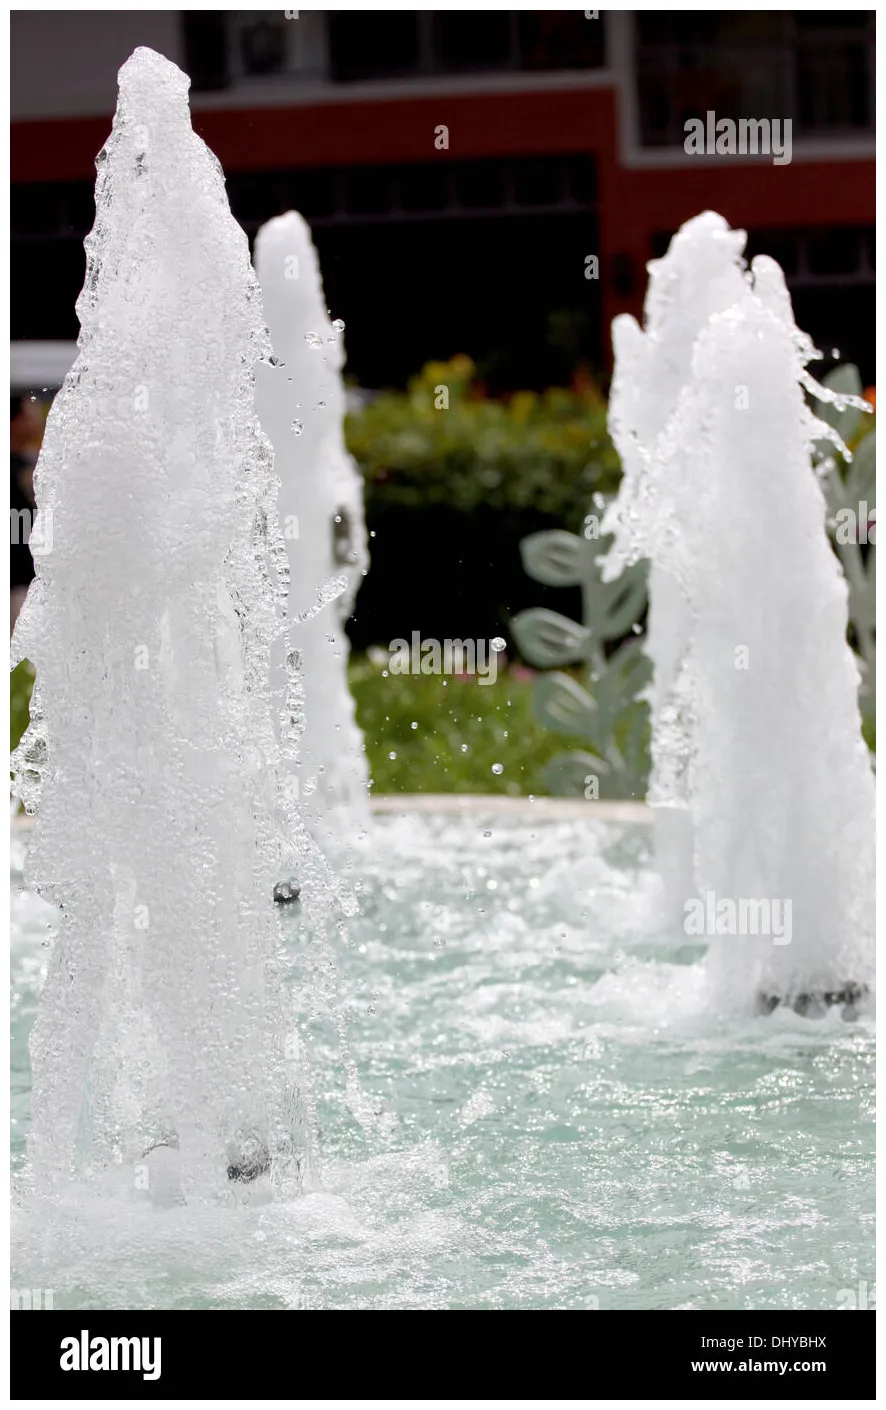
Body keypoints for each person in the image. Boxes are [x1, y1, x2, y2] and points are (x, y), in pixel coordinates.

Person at [11, 394, 42, 631]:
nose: (38, 418)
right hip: (17, 579)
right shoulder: (17, 469)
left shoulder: (26, 463)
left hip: (27, 577)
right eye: (30, 413)